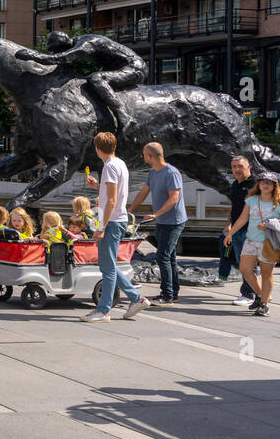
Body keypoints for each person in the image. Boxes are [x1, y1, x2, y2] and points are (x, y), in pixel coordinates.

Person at [15, 31, 147, 134]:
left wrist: (33, 55)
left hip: (134, 67)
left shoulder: (86, 45)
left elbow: (61, 58)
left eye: (56, 50)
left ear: (63, 45)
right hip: (114, 67)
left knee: (96, 79)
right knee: (88, 83)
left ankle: (124, 116)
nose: (55, 52)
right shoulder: (78, 41)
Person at [82, 131, 149, 322]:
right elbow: (115, 193)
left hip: (111, 221)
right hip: (117, 219)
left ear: (97, 149)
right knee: (108, 264)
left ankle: (104, 310)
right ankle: (137, 298)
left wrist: (101, 226)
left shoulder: (109, 167)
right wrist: (98, 186)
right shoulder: (119, 164)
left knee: (108, 268)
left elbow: (111, 200)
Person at [223, 171, 280, 317]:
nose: (265, 185)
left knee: (267, 273)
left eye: (269, 183)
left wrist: (269, 225)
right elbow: (242, 218)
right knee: (245, 269)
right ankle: (261, 296)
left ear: (274, 186)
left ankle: (264, 304)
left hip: (269, 243)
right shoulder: (251, 200)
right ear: (258, 184)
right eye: (263, 182)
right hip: (251, 240)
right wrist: (230, 233)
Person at [128, 142, 188, 305]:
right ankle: (173, 292)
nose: (143, 157)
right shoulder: (153, 172)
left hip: (174, 221)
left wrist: (156, 213)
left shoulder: (171, 173)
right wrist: (130, 210)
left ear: (150, 156)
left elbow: (174, 198)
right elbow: (143, 192)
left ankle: (167, 295)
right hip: (162, 220)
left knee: (163, 257)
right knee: (170, 257)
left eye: (143, 155)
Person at [221, 156, 258, 305]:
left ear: (249, 167)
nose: (237, 169)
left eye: (240, 166)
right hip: (236, 229)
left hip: (250, 231)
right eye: (234, 167)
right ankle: (255, 292)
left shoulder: (254, 184)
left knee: (248, 265)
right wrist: (228, 224)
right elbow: (234, 206)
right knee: (242, 264)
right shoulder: (235, 184)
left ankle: (250, 294)